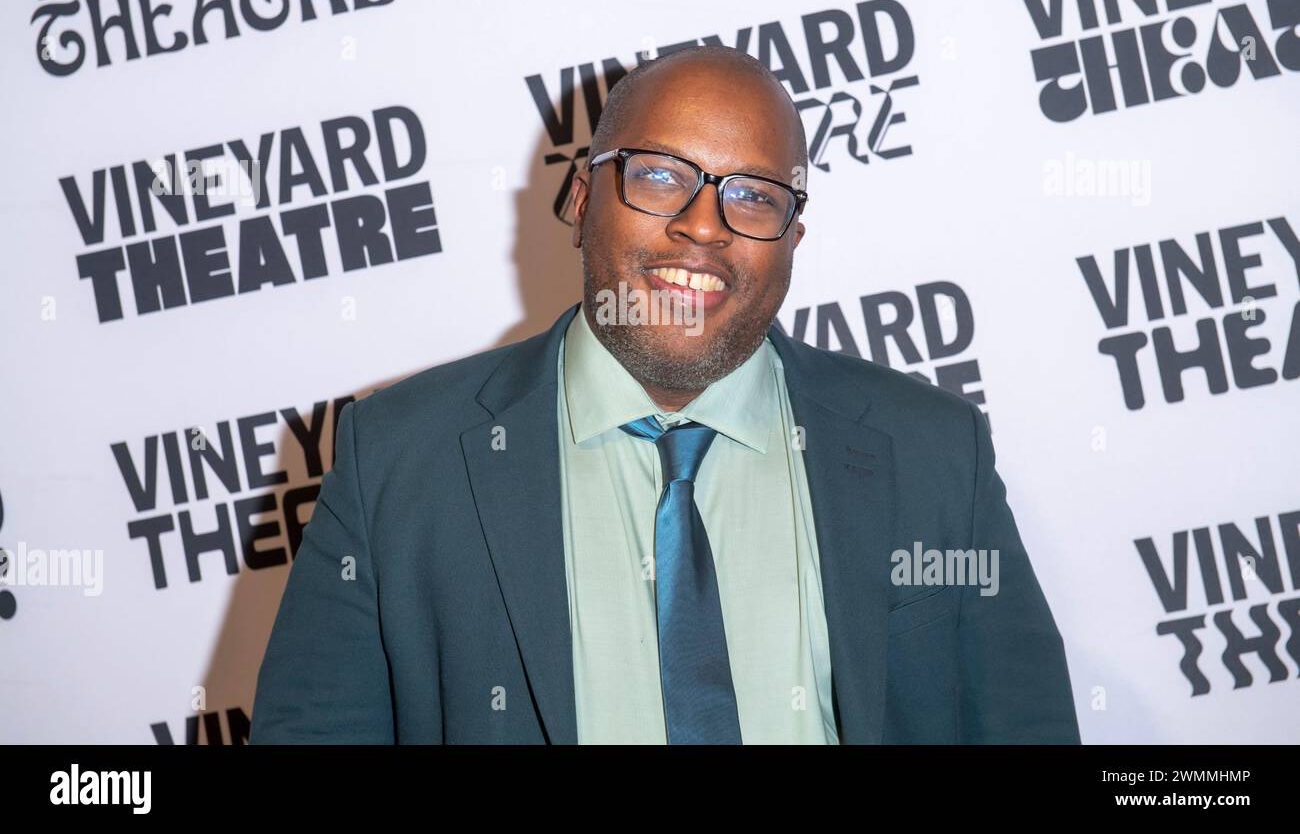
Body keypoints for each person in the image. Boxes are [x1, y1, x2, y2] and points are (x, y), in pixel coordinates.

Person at [250, 45, 1081, 744]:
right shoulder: (398, 457)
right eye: (657, 176)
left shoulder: (933, 452)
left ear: (794, 238)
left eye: (753, 195)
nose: (703, 225)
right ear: (580, 197)